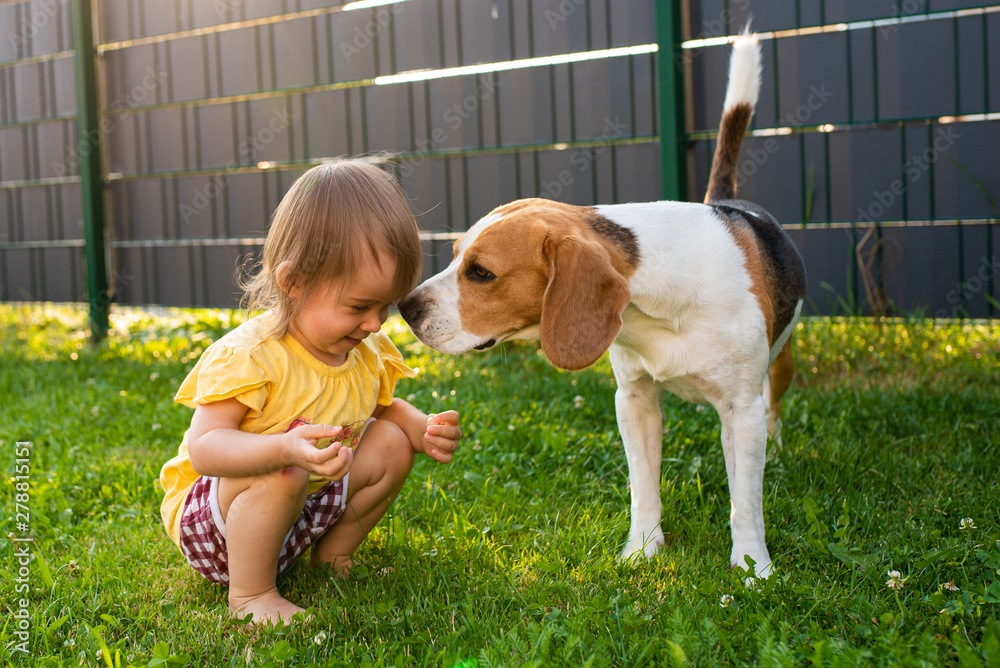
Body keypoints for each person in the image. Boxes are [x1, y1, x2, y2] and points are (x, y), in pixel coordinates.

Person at [158, 160, 462, 625]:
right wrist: (281, 448)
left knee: (392, 443)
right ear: (294, 283)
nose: (374, 324)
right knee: (283, 471)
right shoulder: (251, 356)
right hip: (219, 527)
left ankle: (331, 555)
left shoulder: (365, 349)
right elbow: (205, 449)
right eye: (359, 306)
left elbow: (384, 409)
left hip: (300, 511)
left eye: (385, 306)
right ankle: (251, 594)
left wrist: (422, 428)